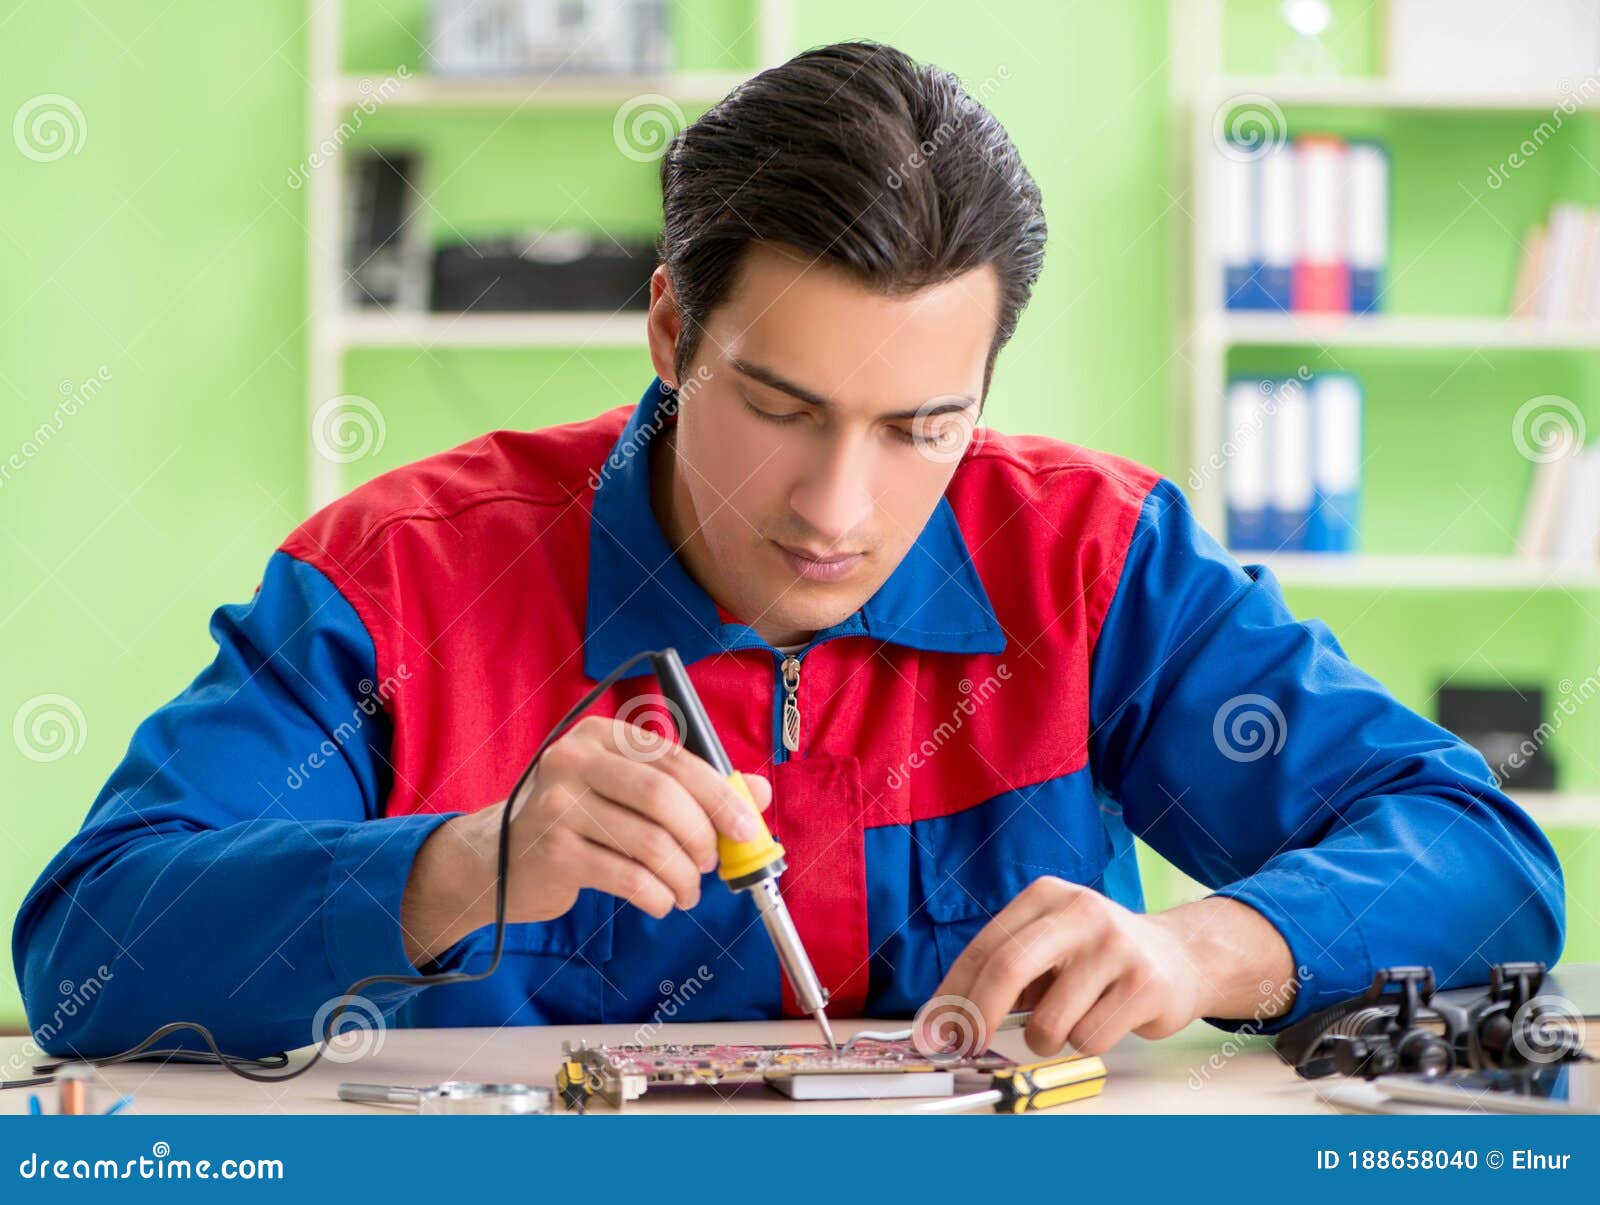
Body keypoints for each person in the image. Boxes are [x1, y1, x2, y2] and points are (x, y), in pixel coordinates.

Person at [14, 41, 1562, 1064]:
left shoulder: (1096, 564)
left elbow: (1486, 862)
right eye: (780, 404)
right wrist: (454, 865)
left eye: (920, 426)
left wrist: (1207, 945)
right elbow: (86, 952)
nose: (838, 505)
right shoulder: (402, 575)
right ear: (673, 332)